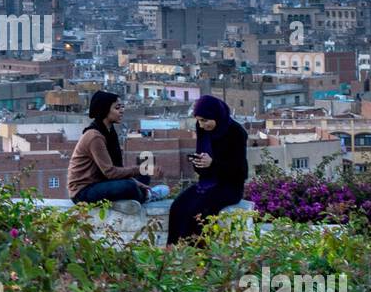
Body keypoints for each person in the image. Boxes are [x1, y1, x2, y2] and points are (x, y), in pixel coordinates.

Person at [167, 94, 248, 245]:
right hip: (206, 182)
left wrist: (213, 164)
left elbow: (240, 171)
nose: (202, 125)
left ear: (216, 116)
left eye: (205, 120)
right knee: (178, 205)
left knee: (199, 211)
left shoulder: (236, 132)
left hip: (229, 186)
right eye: (198, 120)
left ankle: (196, 254)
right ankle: (172, 250)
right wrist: (199, 163)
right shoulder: (203, 129)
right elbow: (202, 165)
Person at [67, 91, 165, 209]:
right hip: (83, 192)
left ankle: (137, 195)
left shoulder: (109, 132)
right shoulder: (94, 136)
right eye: (117, 108)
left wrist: (138, 179)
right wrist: (138, 174)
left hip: (100, 183)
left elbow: (117, 168)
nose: (121, 110)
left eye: (122, 107)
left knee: (143, 177)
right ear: (105, 110)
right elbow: (110, 172)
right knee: (129, 186)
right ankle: (146, 195)